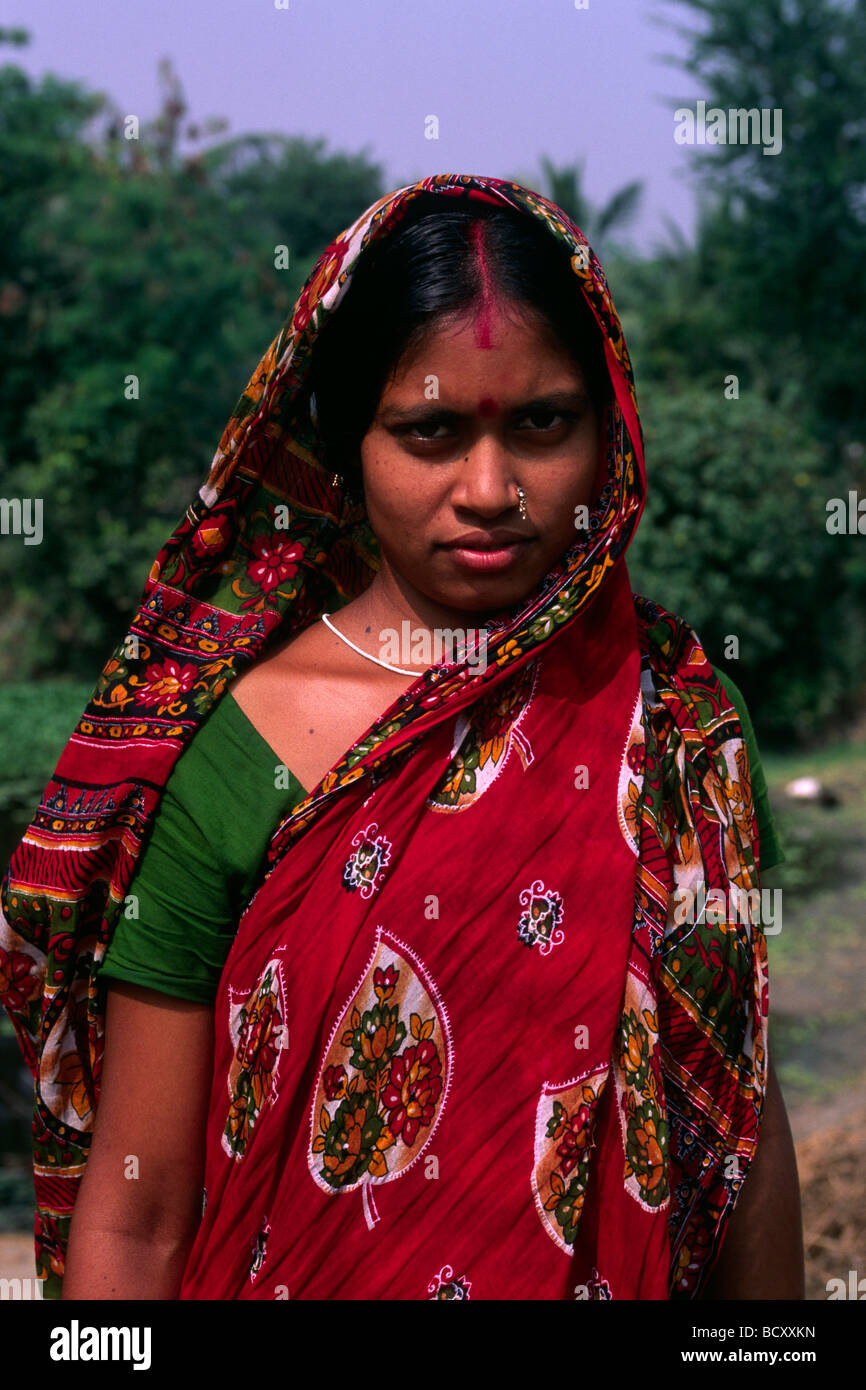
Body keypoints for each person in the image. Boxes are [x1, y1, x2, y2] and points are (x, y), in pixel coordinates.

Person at [0, 172, 803, 1301]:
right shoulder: (240, 747)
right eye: (429, 432)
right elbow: (138, 1213)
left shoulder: (675, 723)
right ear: (345, 442)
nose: (489, 487)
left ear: (608, 427)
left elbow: (733, 1122)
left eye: (540, 423)